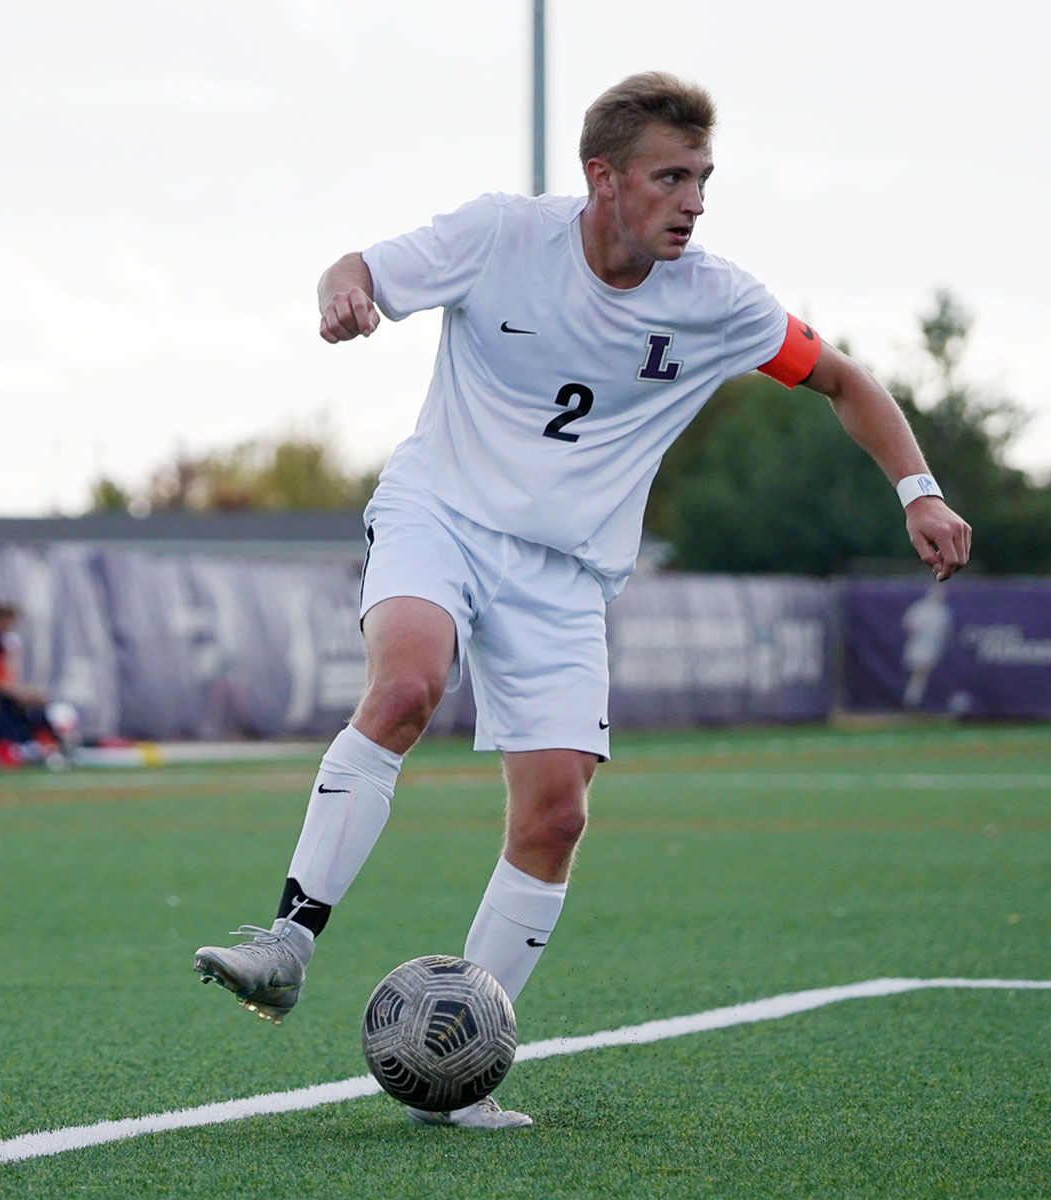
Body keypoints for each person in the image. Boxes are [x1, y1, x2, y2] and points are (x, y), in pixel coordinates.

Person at [192, 72, 973, 1129]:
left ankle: (455, 1067)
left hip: (565, 574)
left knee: (556, 815)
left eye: (702, 178)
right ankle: (285, 942)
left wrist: (918, 493)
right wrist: (348, 293)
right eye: (669, 177)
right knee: (411, 682)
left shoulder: (720, 301)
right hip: (442, 511)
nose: (691, 200)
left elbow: (843, 380)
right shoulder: (501, 235)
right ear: (601, 178)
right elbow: (359, 263)